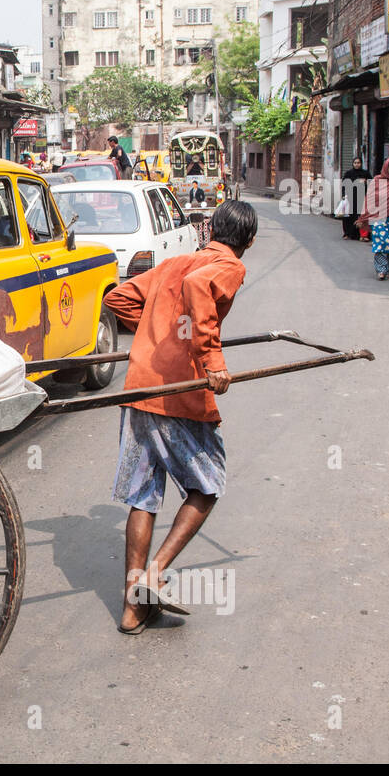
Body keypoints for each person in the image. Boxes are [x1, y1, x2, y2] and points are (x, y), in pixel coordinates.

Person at [103, 200, 257, 634]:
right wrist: (211, 359)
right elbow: (197, 287)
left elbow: (119, 297)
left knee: (142, 496)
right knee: (207, 487)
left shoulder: (177, 260)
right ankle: (153, 576)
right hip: (179, 393)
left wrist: (157, 335)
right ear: (249, 241)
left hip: (140, 385)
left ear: (211, 229)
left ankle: (133, 609)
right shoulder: (228, 266)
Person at [340, 157, 373, 240]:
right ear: (353, 163)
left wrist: (365, 182)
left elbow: (372, 184)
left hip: (362, 197)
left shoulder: (365, 173)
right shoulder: (348, 173)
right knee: (348, 217)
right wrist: (344, 195)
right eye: (355, 163)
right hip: (350, 197)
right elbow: (344, 185)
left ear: (361, 164)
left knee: (361, 216)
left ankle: (361, 235)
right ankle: (347, 233)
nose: (356, 164)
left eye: (358, 163)